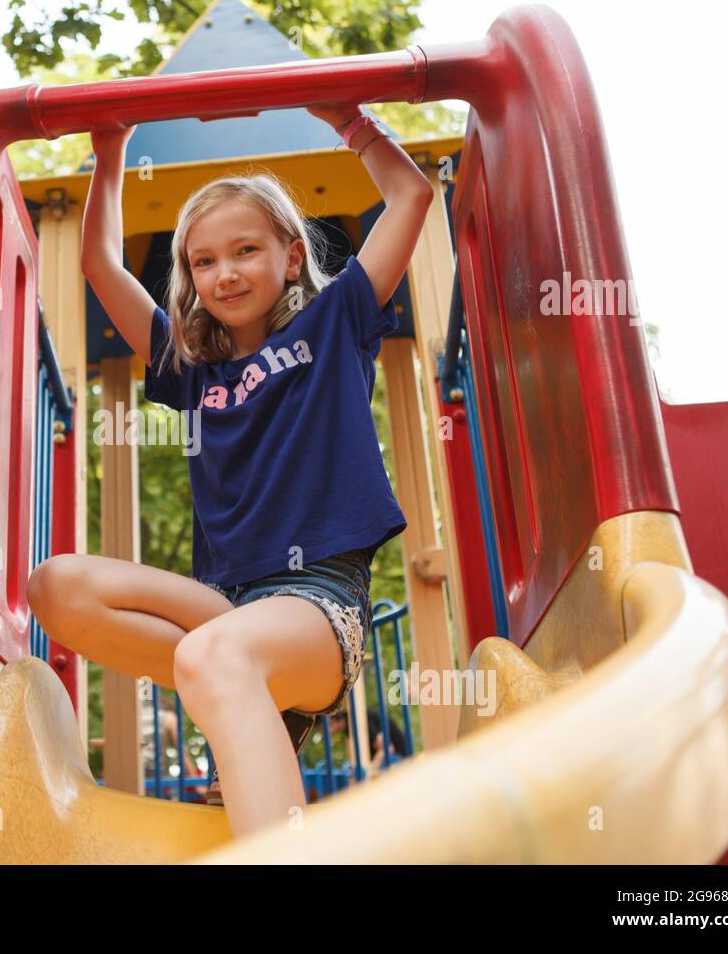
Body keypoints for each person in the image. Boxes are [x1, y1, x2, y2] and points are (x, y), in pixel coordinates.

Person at [27, 102, 430, 840]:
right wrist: (111, 149)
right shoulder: (189, 364)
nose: (225, 273)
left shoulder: (336, 320)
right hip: (228, 605)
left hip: (317, 605)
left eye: (246, 250)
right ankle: (258, 705)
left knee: (219, 650)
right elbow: (98, 265)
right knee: (58, 586)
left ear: (292, 255)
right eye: (203, 261)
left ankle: (276, 789)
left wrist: (349, 117)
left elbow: (411, 196)